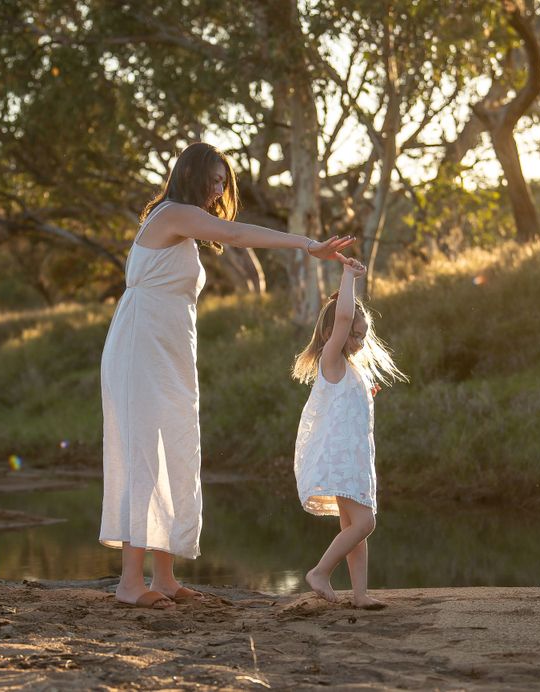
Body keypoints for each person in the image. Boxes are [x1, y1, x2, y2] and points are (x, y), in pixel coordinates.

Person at [100, 142, 355, 609]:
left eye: (223, 182)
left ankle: (165, 578)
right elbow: (236, 234)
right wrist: (306, 244)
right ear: (190, 176)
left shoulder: (182, 221)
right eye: (213, 180)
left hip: (169, 348)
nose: (219, 190)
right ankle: (129, 583)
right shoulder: (174, 213)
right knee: (145, 455)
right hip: (142, 346)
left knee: (175, 449)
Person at [292, 258, 406, 609]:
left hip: (356, 459)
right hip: (340, 459)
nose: (356, 341)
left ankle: (359, 594)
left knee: (352, 526)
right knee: (365, 522)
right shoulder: (332, 359)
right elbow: (342, 317)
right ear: (332, 333)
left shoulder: (351, 368)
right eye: (352, 334)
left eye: (361, 336)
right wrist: (349, 277)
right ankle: (320, 571)